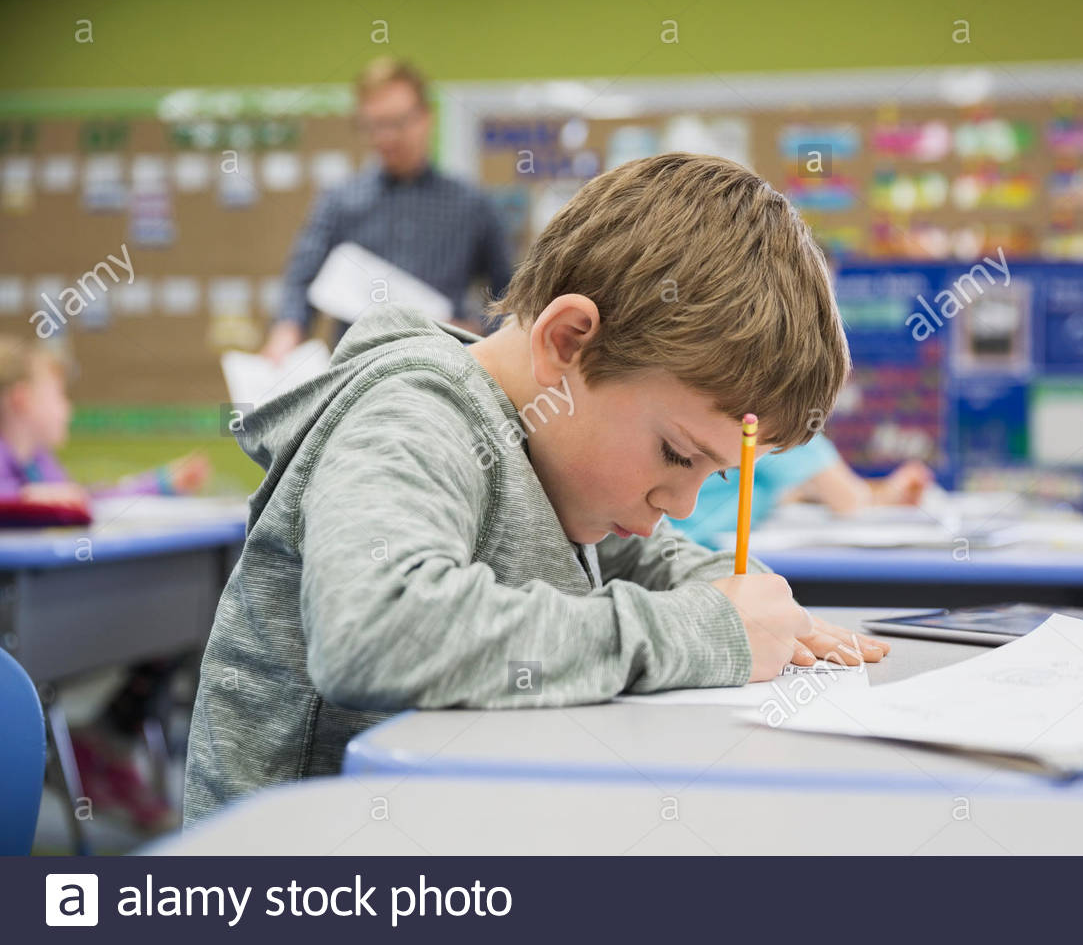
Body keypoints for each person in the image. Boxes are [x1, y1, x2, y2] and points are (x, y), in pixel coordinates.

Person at [184, 153, 890, 825]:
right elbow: (375, 631)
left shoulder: (555, 453)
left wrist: (758, 609)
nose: (681, 503)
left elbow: (662, 563)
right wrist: (709, 631)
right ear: (569, 342)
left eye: (717, 475)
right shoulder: (413, 413)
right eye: (677, 454)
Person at [0, 336, 210, 831]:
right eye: (60, 394)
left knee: (178, 612)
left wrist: (157, 486)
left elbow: (87, 500)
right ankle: (96, 750)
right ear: (22, 400)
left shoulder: (38, 465)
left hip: (52, 616)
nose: (69, 408)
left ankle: (105, 742)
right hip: (27, 626)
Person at [262, 57, 515, 361]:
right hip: (356, 375)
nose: (386, 137)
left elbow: (508, 297)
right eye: (374, 126)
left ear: (426, 117)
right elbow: (300, 284)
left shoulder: (472, 204)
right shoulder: (339, 202)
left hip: (443, 372)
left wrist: (474, 328)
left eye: (397, 122)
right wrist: (286, 335)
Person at [670, 432, 934, 546]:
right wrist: (895, 488)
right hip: (694, 553)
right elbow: (849, 501)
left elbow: (792, 491)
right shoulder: (787, 426)